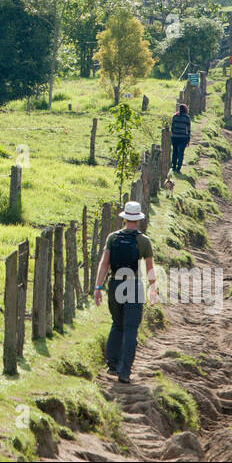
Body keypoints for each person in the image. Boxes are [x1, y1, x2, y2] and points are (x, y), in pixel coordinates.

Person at [92, 201, 158, 384]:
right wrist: (153, 290)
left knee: (117, 324)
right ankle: (124, 371)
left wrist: (98, 287)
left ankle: (112, 365)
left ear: (125, 217)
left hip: (115, 285)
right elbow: (149, 268)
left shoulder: (112, 238)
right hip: (134, 287)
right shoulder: (143, 241)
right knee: (130, 329)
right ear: (138, 220)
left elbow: (104, 264)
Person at [170, 103, 191, 172]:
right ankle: (179, 167)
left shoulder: (174, 116)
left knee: (175, 151)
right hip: (183, 138)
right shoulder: (187, 118)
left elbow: (172, 127)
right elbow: (188, 130)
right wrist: (188, 139)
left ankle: (173, 166)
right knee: (181, 153)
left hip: (175, 137)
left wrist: (174, 134)